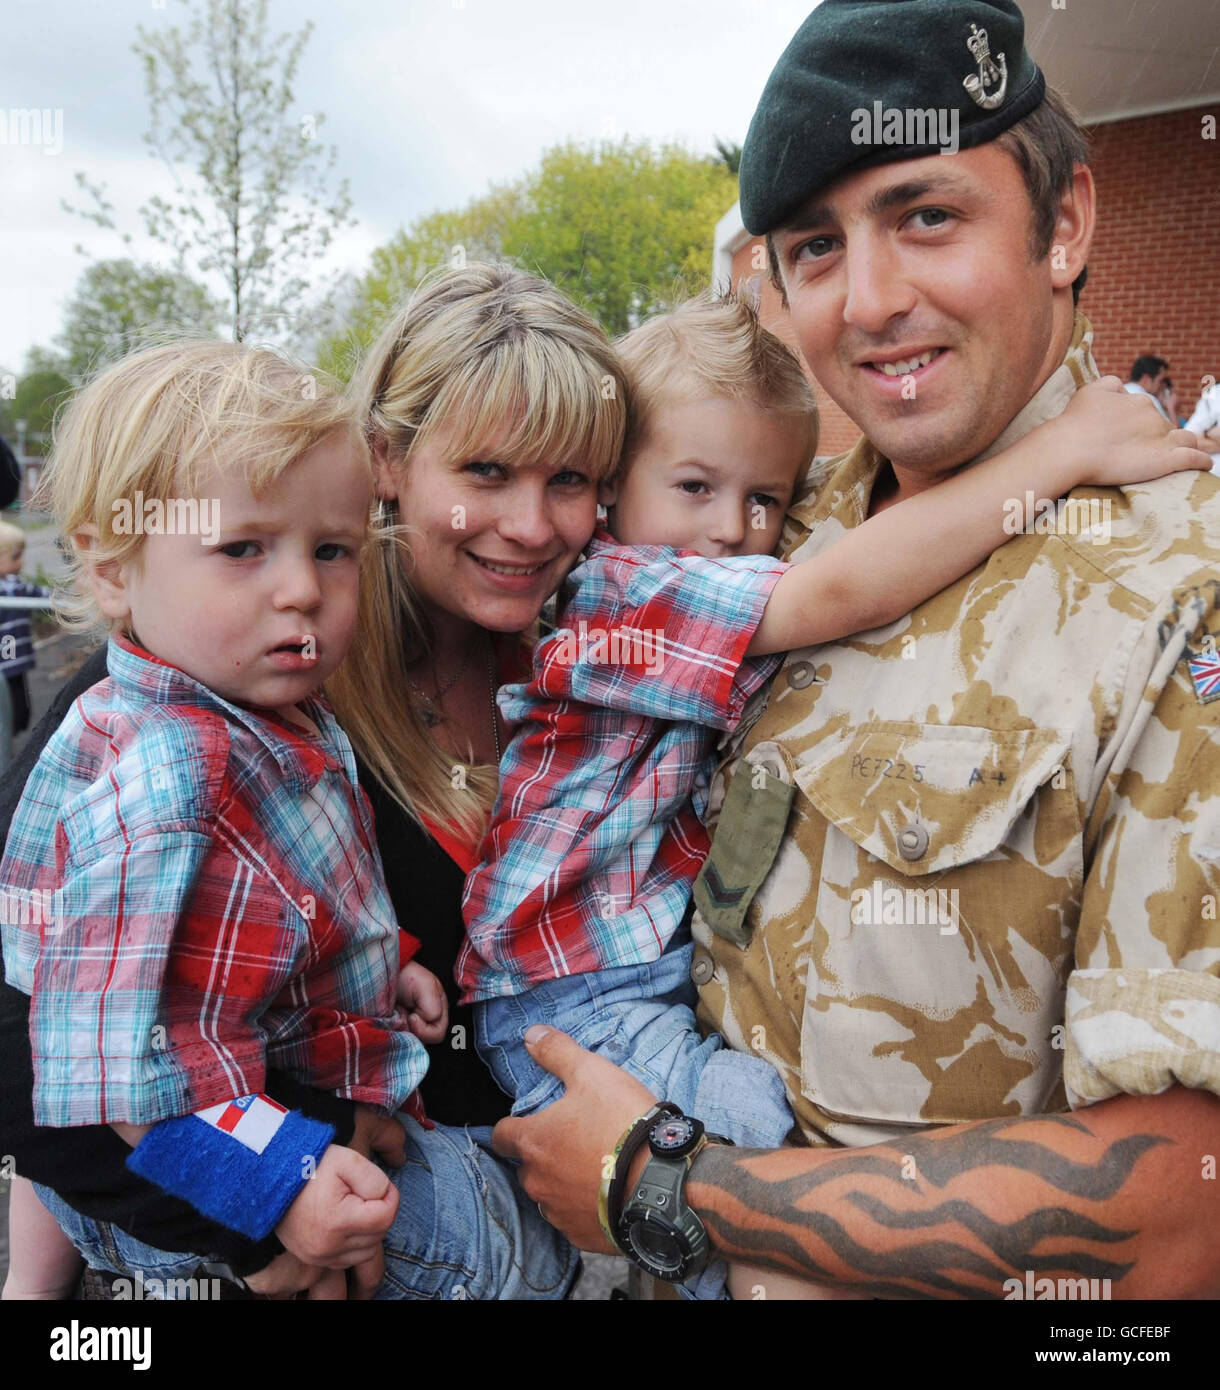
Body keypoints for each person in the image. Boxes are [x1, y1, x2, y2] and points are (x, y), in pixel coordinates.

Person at [491, 0, 1220, 1301]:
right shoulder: (774, 523)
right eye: (815, 247)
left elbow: (1178, 1214)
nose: (872, 302)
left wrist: (667, 1184)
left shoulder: (1183, 587)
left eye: (924, 215)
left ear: (1064, 227)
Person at [0, 264, 627, 1300]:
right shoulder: (178, 712)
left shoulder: (588, 678)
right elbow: (45, 1058)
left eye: (571, 480)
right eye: (484, 469)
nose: (530, 524)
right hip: (322, 1221)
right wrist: (270, 1210)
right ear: (388, 458)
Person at [0, 520, 53, 736]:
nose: (22, 562)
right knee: (12, 711)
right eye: (15, 557)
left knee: (19, 712)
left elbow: (44, 596)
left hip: (14, 661)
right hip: (7, 662)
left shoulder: (15, 584)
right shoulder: (11, 588)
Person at [1125, 354, 1173, 421]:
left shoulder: (1118, 392)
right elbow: (1169, 430)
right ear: (1146, 379)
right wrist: (1172, 410)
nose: (1163, 386)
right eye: (1161, 381)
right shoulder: (1149, 401)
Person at [1184, 377, 1220, 459]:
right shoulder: (1214, 394)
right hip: (1212, 470)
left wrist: (1211, 433)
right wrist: (1208, 432)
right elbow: (1189, 441)